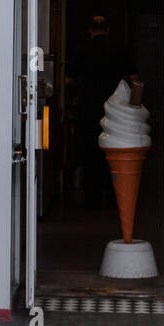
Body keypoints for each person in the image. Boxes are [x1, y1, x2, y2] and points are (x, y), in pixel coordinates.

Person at [66, 15, 139, 209]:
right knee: (115, 150)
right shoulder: (120, 48)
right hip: (116, 111)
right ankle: (114, 193)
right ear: (107, 30)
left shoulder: (82, 49)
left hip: (88, 107)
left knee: (90, 150)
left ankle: (92, 196)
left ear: (90, 30)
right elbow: (134, 79)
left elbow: (69, 80)